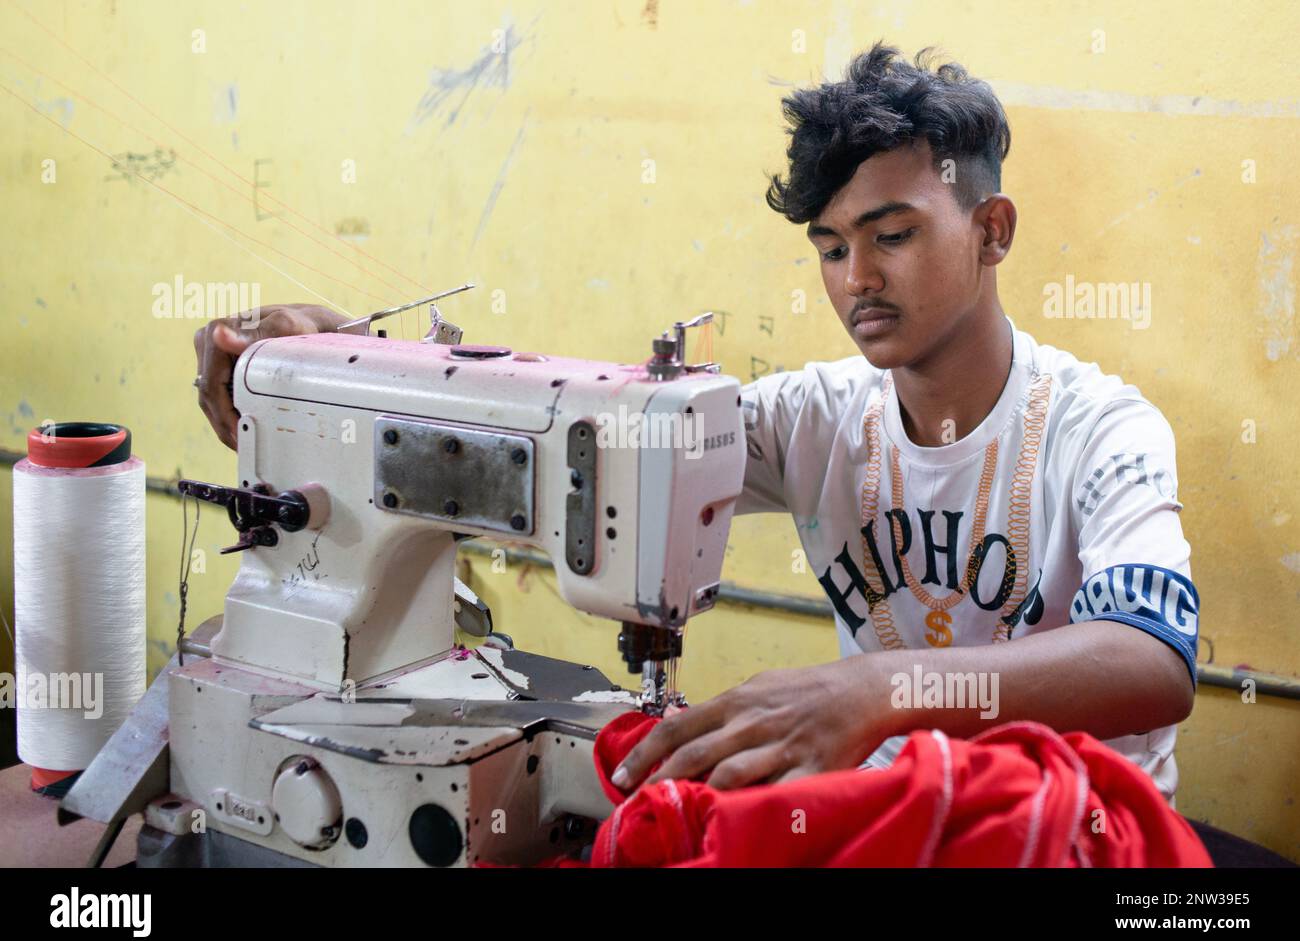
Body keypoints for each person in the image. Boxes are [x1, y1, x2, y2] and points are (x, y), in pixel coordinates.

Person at [192, 42, 1197, 804]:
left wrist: (881, 688)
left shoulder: (1099, 430)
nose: (858, 280)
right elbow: (561, 440)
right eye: (831, 248)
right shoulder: (810, 419)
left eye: (892, 236)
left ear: (991, 231)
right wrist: (324, 378)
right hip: (889, 816)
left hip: (1077, 826)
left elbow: (1150, 663)